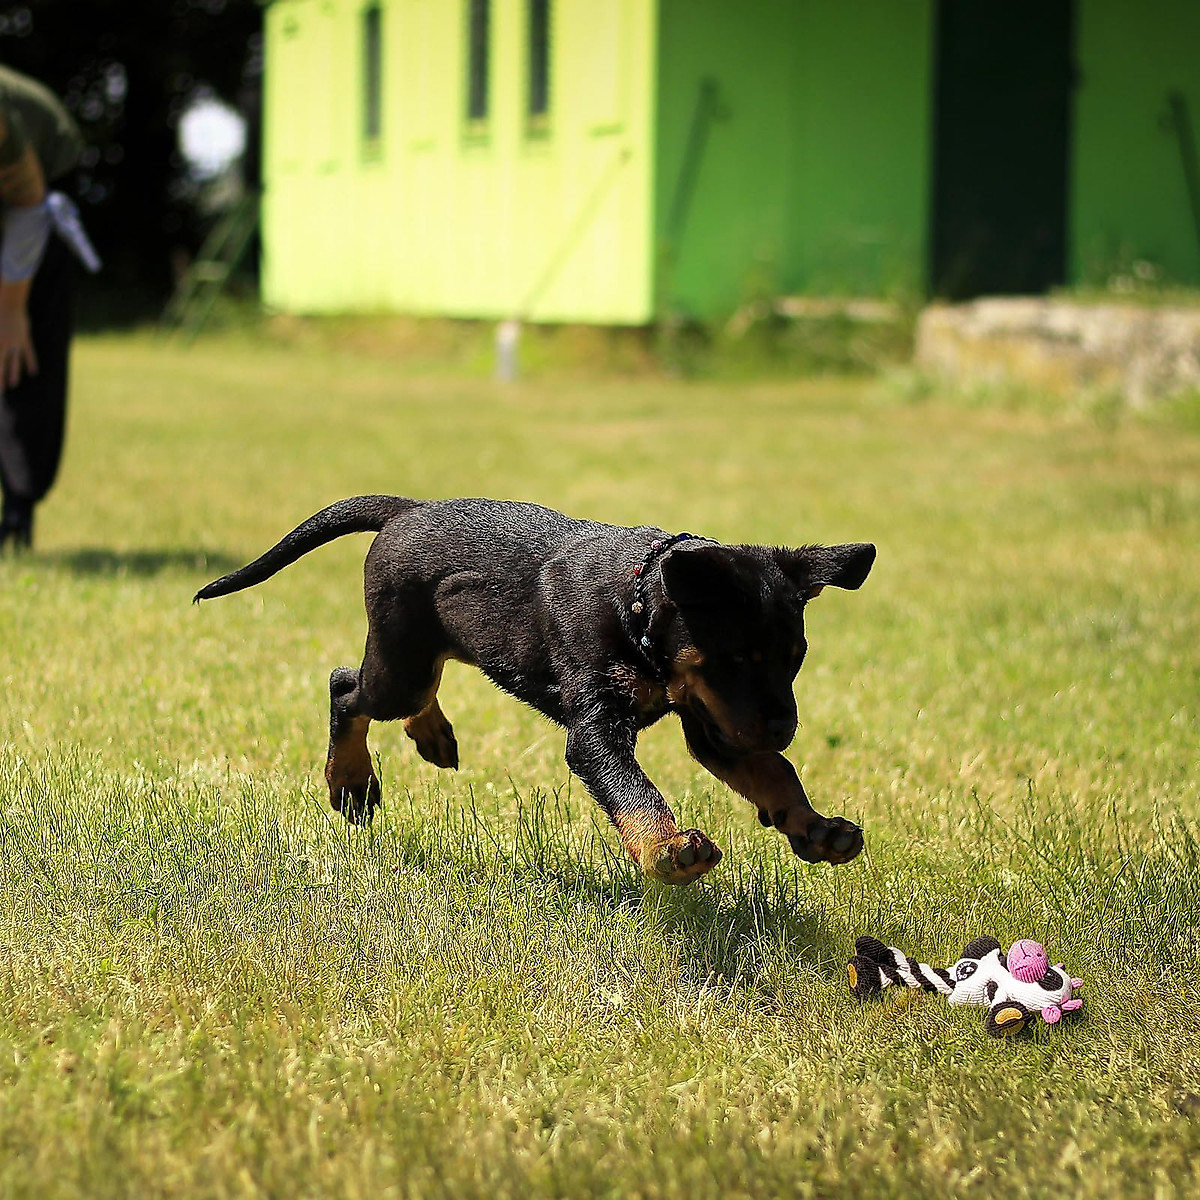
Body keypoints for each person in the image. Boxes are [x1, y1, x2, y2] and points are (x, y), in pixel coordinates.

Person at [0, 65, 86, 551]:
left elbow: (28, 203)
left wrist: (12, 312)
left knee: (21, 352)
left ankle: (18, 508)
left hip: (43, 183)